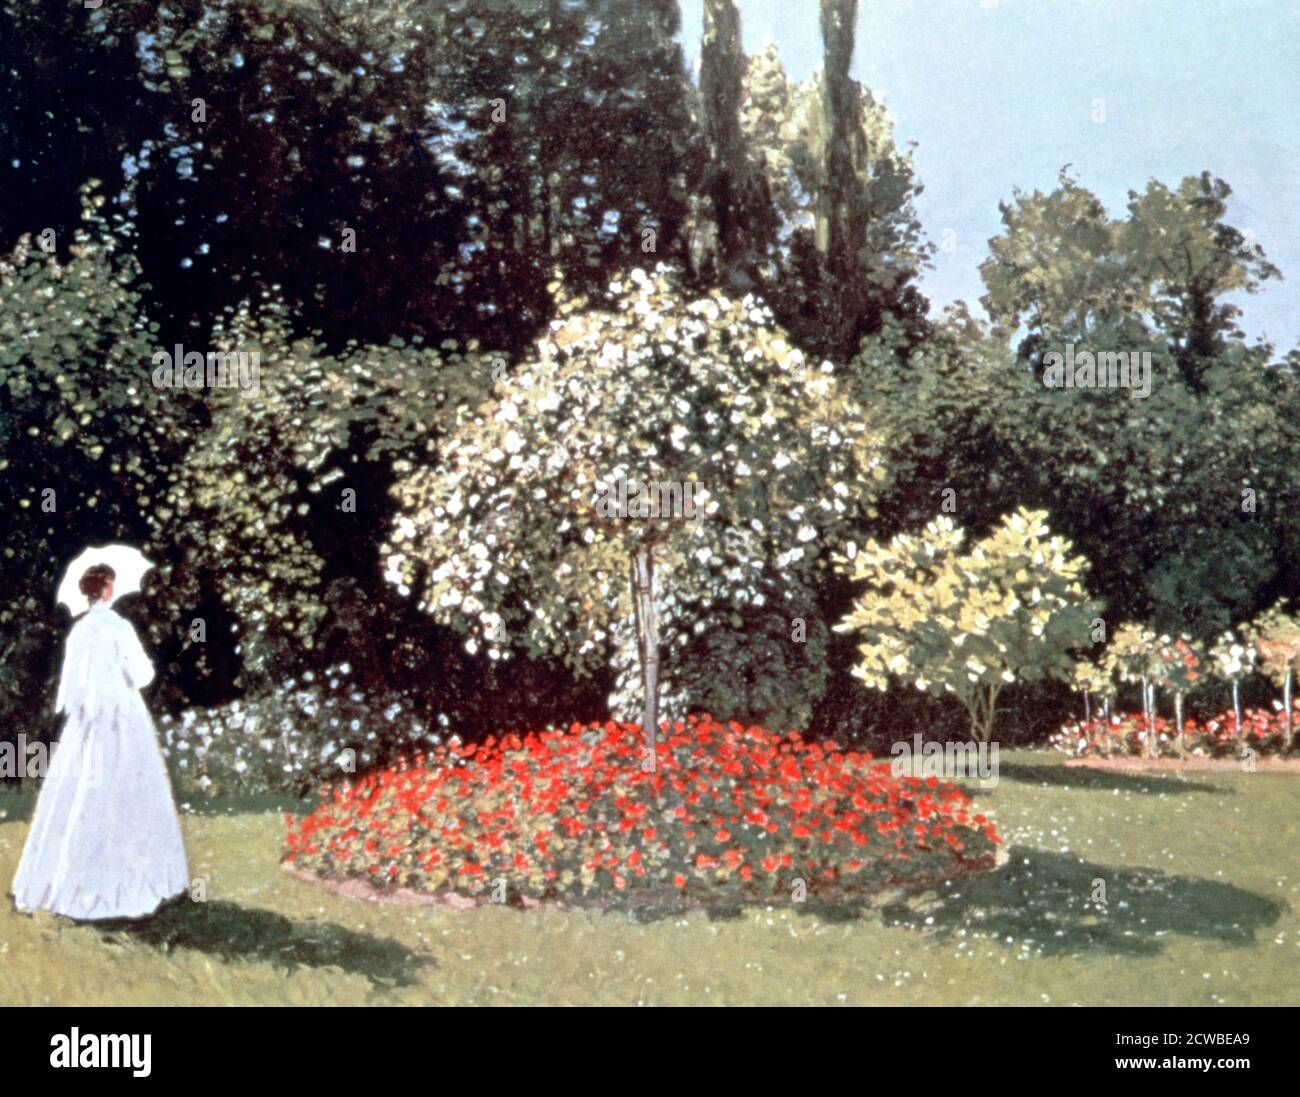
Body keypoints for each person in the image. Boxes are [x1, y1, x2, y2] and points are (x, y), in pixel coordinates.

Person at [10, 564, 188, 919]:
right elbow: (142, 673)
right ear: (107, 589)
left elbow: (70, 685)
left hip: (87, 721)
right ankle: (126, 886)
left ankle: (60, 884)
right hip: (122, 717)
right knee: (127, 789)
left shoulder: (78, 631)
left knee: (80, 789)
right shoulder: (119, 628)